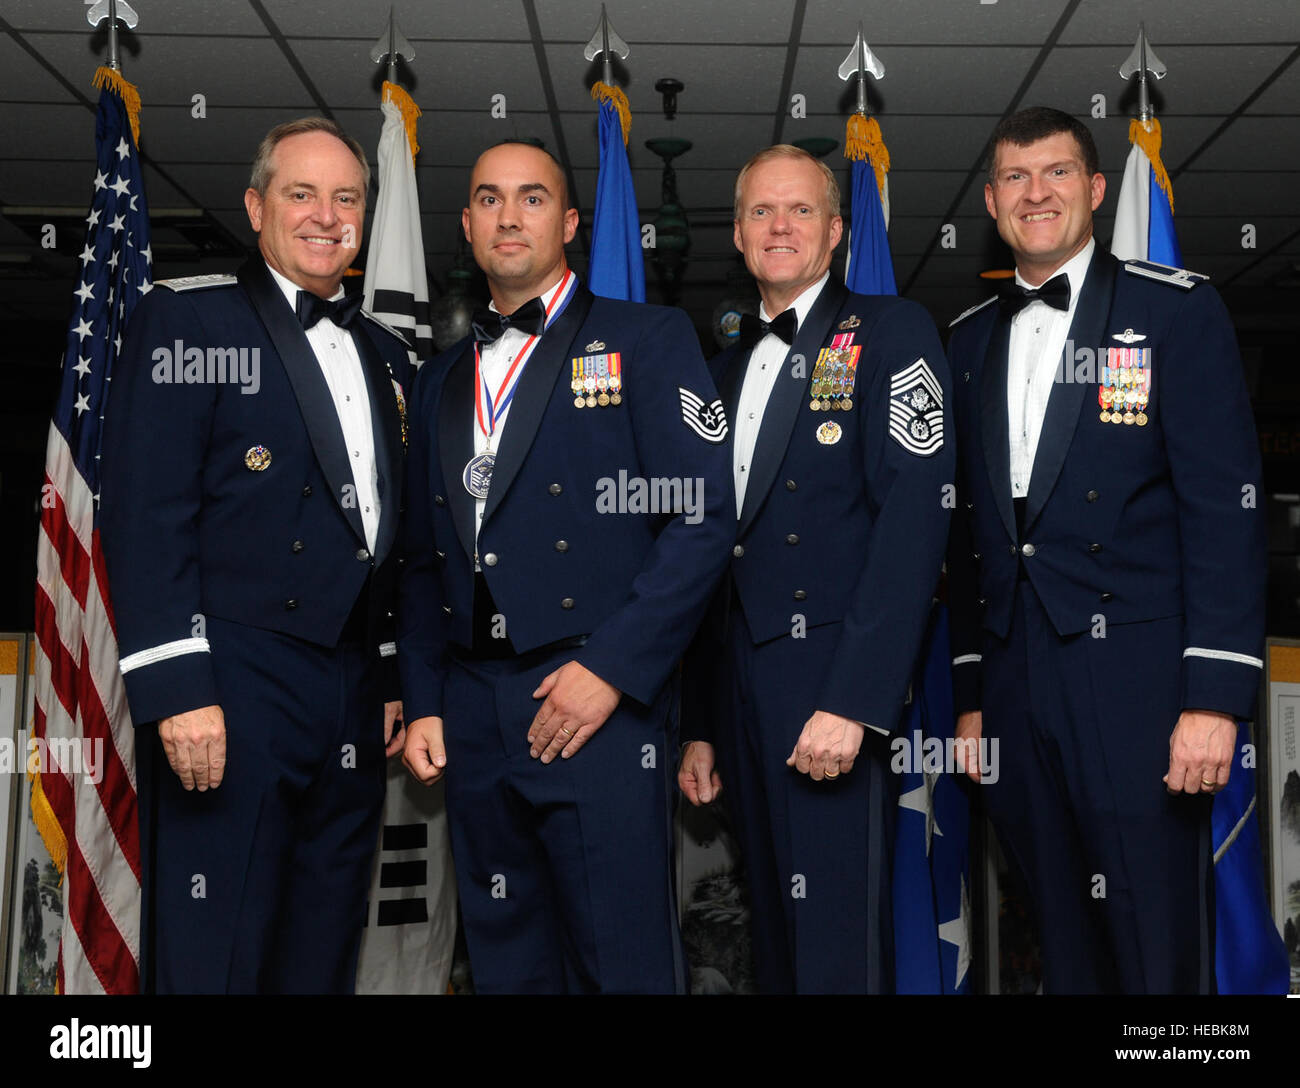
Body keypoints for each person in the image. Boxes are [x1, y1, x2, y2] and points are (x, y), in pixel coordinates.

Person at [398, 140, 734, 993]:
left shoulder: (647, 338)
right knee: (508, 962)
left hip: (597, 699)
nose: (510, 216)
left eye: (533, 198)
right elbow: (418, 559)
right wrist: (429, 702)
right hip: (473, 711)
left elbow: (701, 521)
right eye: (489, 199)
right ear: (468, 226)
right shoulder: (437, 380)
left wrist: (611, 671)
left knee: (622, 964)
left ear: (571, 223)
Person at [946, 106, 1265, 993]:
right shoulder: (967, 339)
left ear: (1092, 190)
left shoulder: (1175, 311)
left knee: (1155, 934)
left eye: (1055, 174)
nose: (1035, 193)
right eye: (1015, 178)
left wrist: (1215, 697)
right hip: (1015, 686)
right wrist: (971, 695)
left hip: (1139, 681)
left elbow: (1223, 514)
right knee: (1058, 929)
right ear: (993, 201)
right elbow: (968, 536)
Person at [100, 117, 413, 993]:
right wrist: (178, 688)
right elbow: (145, 513)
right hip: (230, 683)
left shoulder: (388, 354)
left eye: (346, 197)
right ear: (255, 207)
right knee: (217, 946)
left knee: (320, 945)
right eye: (301, 193)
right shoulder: (187, 320)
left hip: (349, 694)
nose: (326, 214)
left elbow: (391, 541)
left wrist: (387, 675)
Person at [678, 144, 954, 993]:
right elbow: (699, 557)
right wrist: (700, 719)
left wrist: (856, 701)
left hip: (833, 685)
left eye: (801, 210)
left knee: (837, 942)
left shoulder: (891, 330)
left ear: (836, 231)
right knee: (776, 936)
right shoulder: (715, 375)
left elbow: (915, 525)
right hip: (744, 695)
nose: (780, 226)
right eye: (762, 212)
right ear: (737, 233)